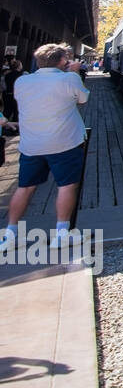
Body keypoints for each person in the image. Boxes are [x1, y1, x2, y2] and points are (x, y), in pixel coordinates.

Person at [1, 43, 89, 252]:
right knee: (66, 186)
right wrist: (74, 73)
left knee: (25, 188)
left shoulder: (23, 81)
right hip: (65, 143)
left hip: (32, 145)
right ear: (62, 61)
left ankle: (10, 234)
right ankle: (61, 234)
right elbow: (83, 99)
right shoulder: (69, 78)